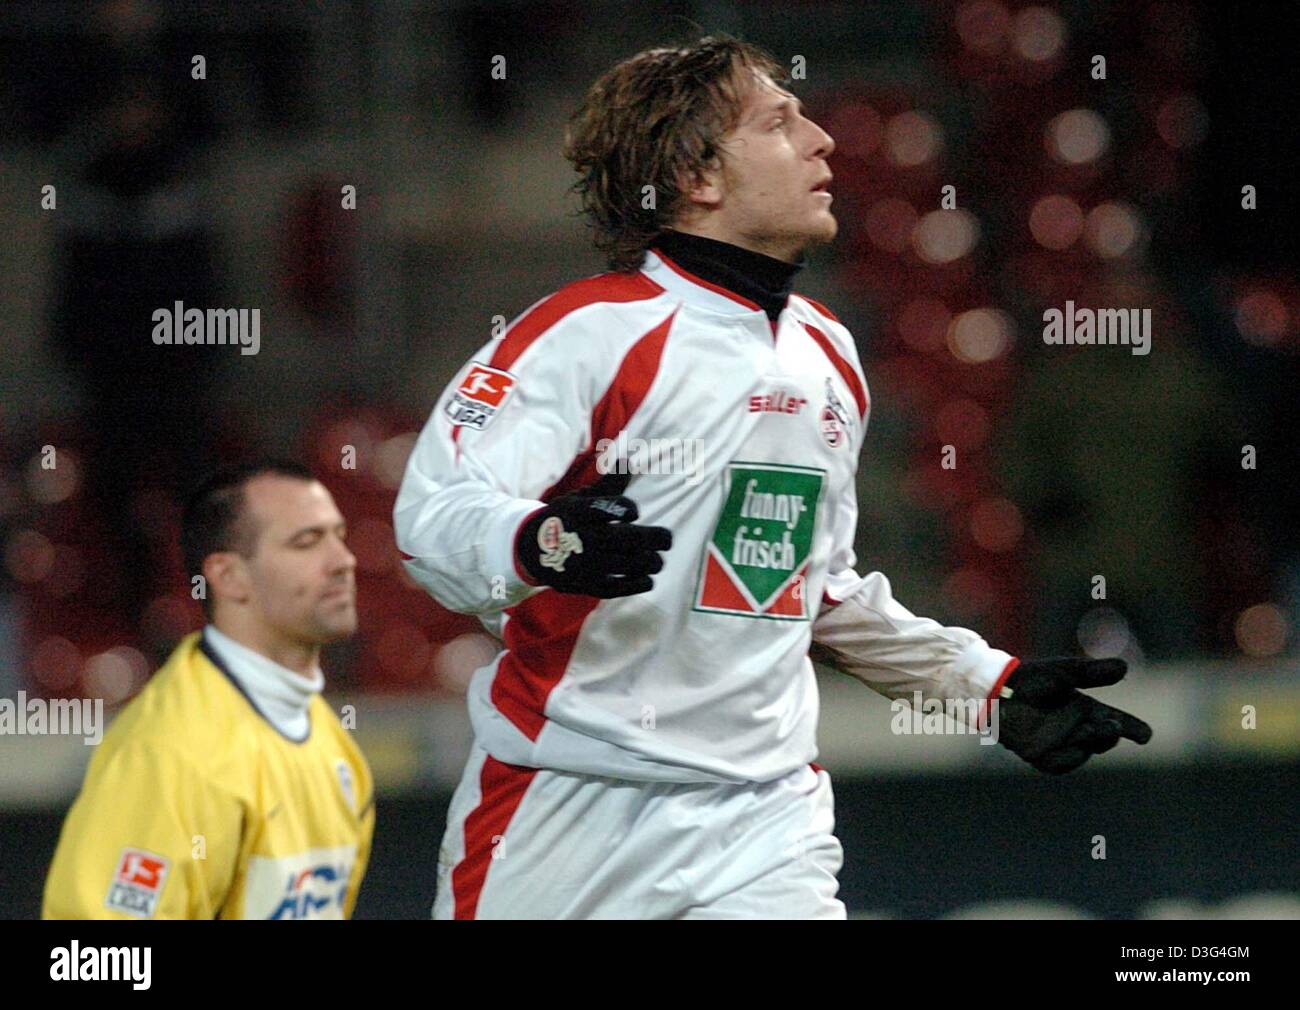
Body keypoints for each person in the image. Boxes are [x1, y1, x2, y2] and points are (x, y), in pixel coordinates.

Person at [394, 35, 1151, 920]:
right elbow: (434, 515)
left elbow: (807, 588)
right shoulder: (588, 333)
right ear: (697, 176)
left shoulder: (825, 347)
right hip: (565, 813)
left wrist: (975, 684)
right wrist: (541, 540)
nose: (824, 140)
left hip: (765, 824)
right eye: (781, 123)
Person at [44, 460, 374, 919]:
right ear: (227, 576)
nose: (344, 561)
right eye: (307, 542)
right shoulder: (173, 754)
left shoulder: (333, 746)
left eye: (339, 535)